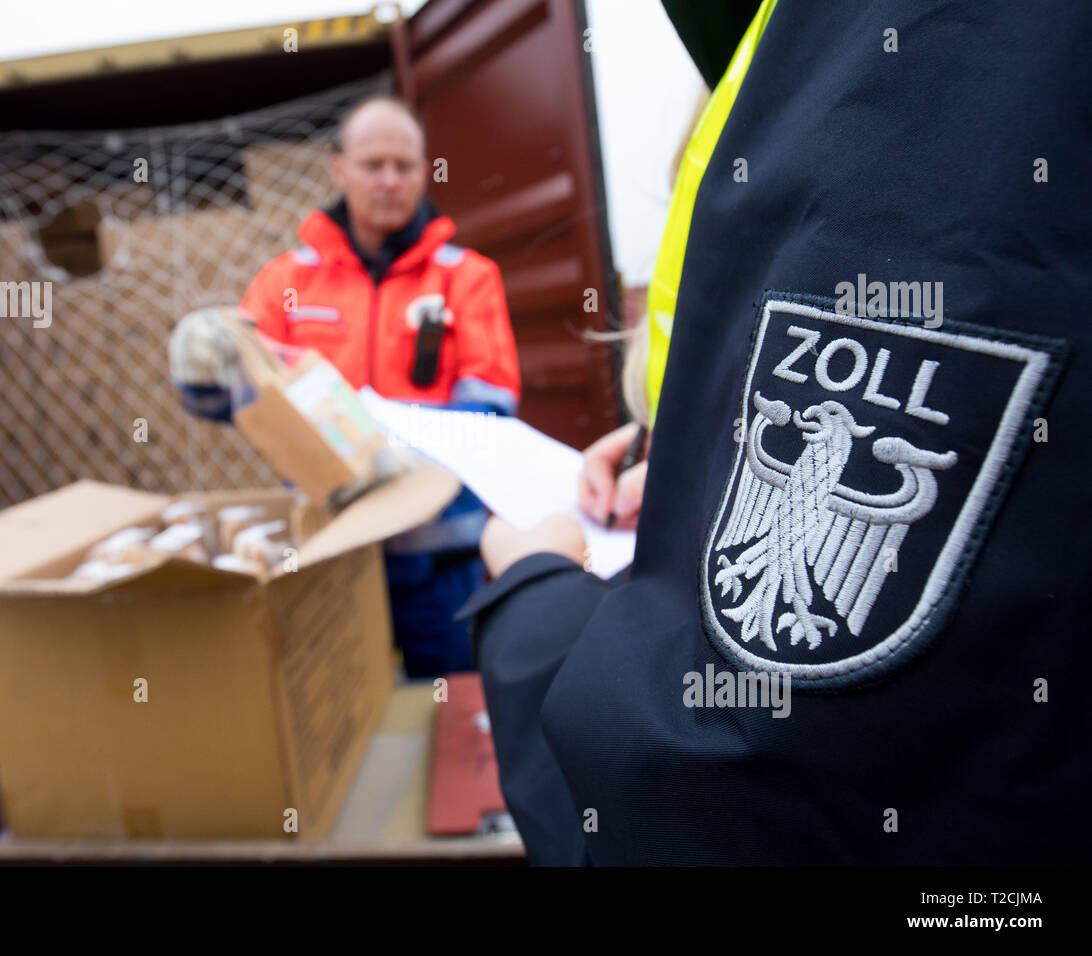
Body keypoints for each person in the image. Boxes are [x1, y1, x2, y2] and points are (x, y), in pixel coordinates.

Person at [461, 0, 1090, 865]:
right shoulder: (792, 36)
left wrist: (530, 597)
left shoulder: (940, 47)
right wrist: (682, 461)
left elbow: (725, 817)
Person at [239, 95, 522, 678]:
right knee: (343, 726)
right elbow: (244, 389)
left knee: (450, 716)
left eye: (405, 165)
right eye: (373, 165)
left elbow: (490, 405)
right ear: (340, 170)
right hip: (330, 550)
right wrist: (208, 368)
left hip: (440, 560)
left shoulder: (467, 277)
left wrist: (397, 452)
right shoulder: (286, 280)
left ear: (425, 171)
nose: (390, 180)